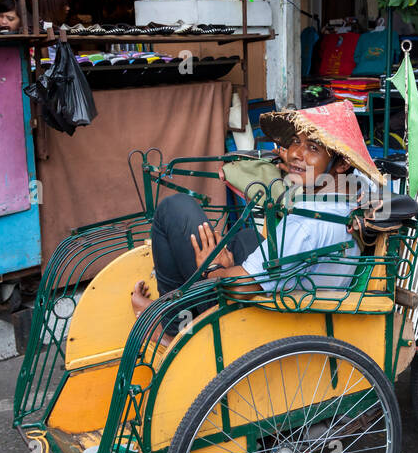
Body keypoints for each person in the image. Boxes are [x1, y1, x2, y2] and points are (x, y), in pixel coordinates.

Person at [131, 100, 380, 339]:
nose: (295, 154)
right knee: (247, 238)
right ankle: (182, 310)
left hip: (257, 318)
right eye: (295, 142)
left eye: (313, 148)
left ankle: (171, 329)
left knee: (175, 208)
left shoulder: (306, 226)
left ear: (343, 163)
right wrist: (303, 167)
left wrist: (214, 268)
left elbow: (237, 288)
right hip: (303, 299)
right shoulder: (354, 198)